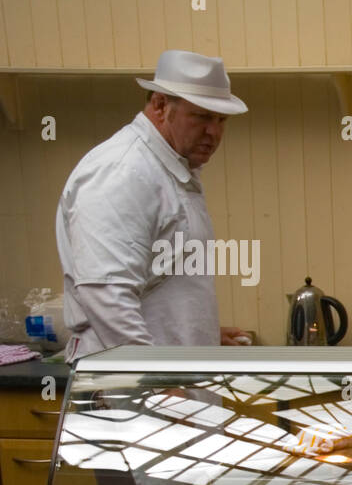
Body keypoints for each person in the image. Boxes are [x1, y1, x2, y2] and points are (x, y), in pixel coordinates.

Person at [57, 49, 251, 362]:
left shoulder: (170, 170)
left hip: (168, 376)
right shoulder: (123, 172)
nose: (214, 132)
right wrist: (155, 382)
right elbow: (106, 293)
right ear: (160, 105)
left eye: (221, 120)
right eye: (201, 116)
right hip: (130, 388)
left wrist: (200, 335)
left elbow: (162, 279)